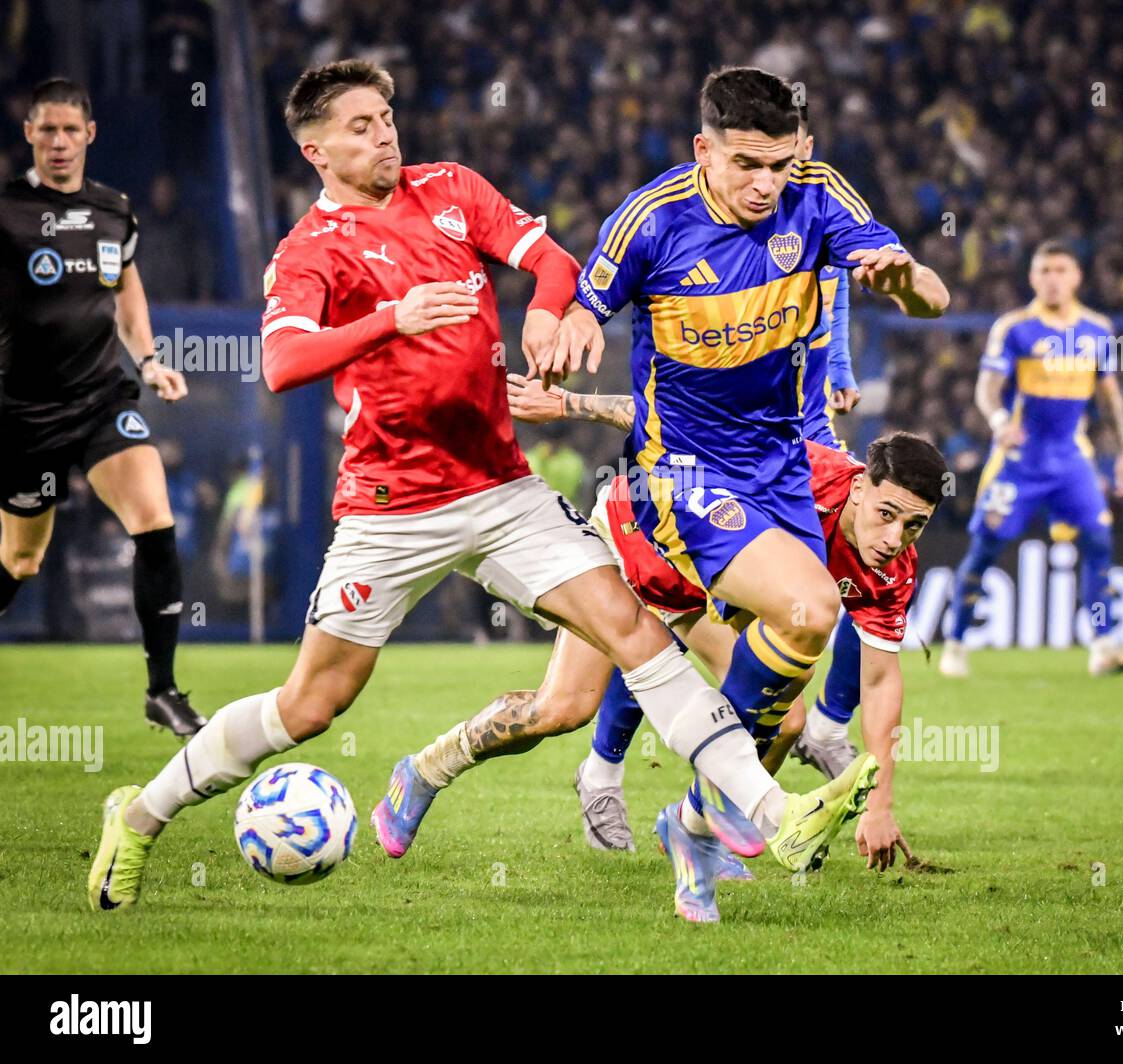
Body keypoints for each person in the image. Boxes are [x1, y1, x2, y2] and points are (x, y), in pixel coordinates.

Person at [88, 59, 870, 916]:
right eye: (360, 126)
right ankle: (141, 813)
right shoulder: (310, 252)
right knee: (311, 705)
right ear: (315, 151)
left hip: (503, 491)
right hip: (391, 510)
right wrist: (390, 317)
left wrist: (544, 304)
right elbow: (279, 362)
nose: (384, 132)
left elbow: (552, 260)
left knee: (634, 632)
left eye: (385, 116)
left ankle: (775, 812)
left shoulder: (451, 188)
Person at [530, 66, 948, 909]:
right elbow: (585, 302)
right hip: (679, 468)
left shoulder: (820, 194)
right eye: (747, 164)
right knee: (807, 610)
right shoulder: (653, 219)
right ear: (703, 151)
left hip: (783, 463)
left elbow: (929, 295)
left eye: (781, 166)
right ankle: (623, 779)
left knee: (785, 706)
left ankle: (693, 824)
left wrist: (902, 282)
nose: (766, 184)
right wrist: (572, 328)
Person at [508, 377, 944, 899]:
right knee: (565, 708)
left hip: (715, 577)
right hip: (642, 523)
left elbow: (881, 683)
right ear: (859, 488)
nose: (894, 540)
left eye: (914, 527)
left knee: (787, 719)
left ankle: (704, 828)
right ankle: (596, 776)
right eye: (886, 516)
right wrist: (566, 404)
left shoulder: (895, 571)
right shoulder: (798, 467)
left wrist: (881, 806)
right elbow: (667, 421)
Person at [0, 77, 205, 737]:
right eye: (47, 130)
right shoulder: (5, 210)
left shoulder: (116, 211)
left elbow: (126, 295)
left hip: (101, 398)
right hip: (24, 412)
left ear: (90, 135)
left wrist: (148, 361)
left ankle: (163, 689)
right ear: (29, 135)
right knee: (21, 561)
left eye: (70, 130)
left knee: (155, 521)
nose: (59, 141)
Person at [939, 240, 1123, 678]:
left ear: (1077, 277)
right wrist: (998, 419)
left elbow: (1110, 399)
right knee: (985, 551)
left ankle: (1103, 644)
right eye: (1043, 270)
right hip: (1017, 459)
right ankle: (955, 644)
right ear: (1032, 278)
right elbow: (987, 388)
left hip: (1072, 459)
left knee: (1098, 544)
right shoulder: (1015, 328)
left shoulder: (1097, 330)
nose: (1052, 278)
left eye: (1060, 269)